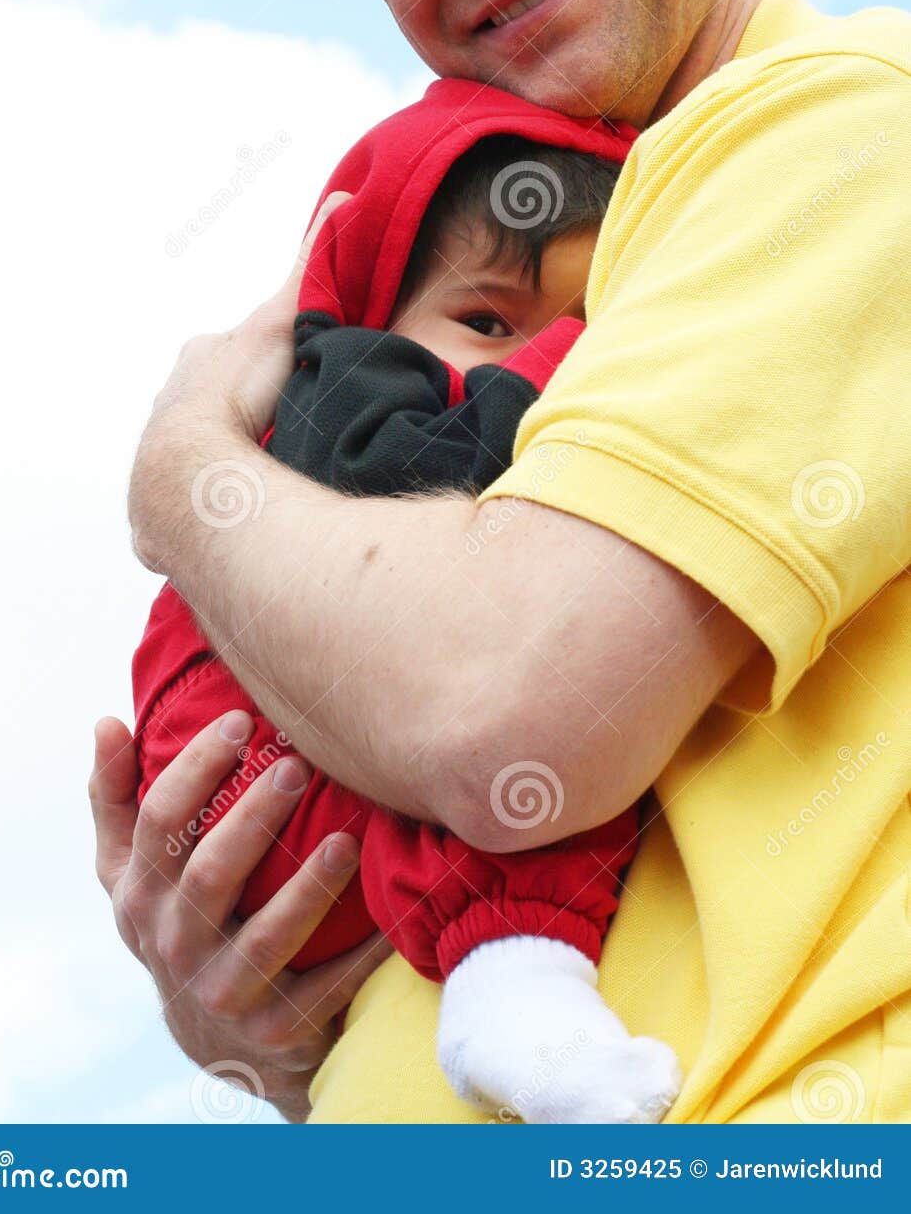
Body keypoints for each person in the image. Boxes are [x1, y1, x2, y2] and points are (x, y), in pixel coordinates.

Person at [91, 0, 911, 1124]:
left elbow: (505, 716)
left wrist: (183, 472)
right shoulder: (545, 280)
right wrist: (274, 1014)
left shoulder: (846, 123)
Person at [131, 82, 681, 1123]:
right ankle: (510, 976)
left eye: (582, 329)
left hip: (308, 810)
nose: (530, 362)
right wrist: (586, 358)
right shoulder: (342, 390)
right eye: (484, 320)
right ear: (366, 306)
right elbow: (462, 639)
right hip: (250, 762)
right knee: (521, 707)